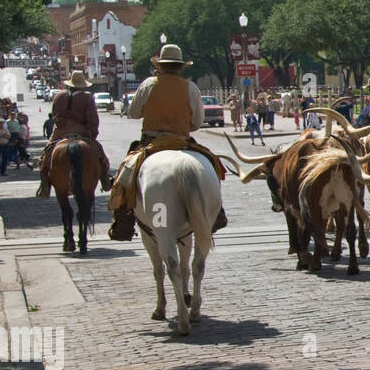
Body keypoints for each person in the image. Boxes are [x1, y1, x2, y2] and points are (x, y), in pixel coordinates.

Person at [107, 43, 227, 241]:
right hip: (182, 140)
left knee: (125, 175)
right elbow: (196, 123)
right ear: (180, 67)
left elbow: (133, 113)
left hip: (151, 141)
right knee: (213, 165)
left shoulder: (148, 84)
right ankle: (216, 212)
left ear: (160, 66)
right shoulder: (191, 87)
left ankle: (123, 219)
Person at [36, 71, 111, 199]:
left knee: (45, 156)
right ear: (83, 85)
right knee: (101, 155)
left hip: (60, 131)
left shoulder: (59, 95)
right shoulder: (87, 98)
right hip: (81, 131)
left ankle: (45, 186)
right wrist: (92, 134)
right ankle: (105, 180)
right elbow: (92, 119)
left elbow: (54, 114)